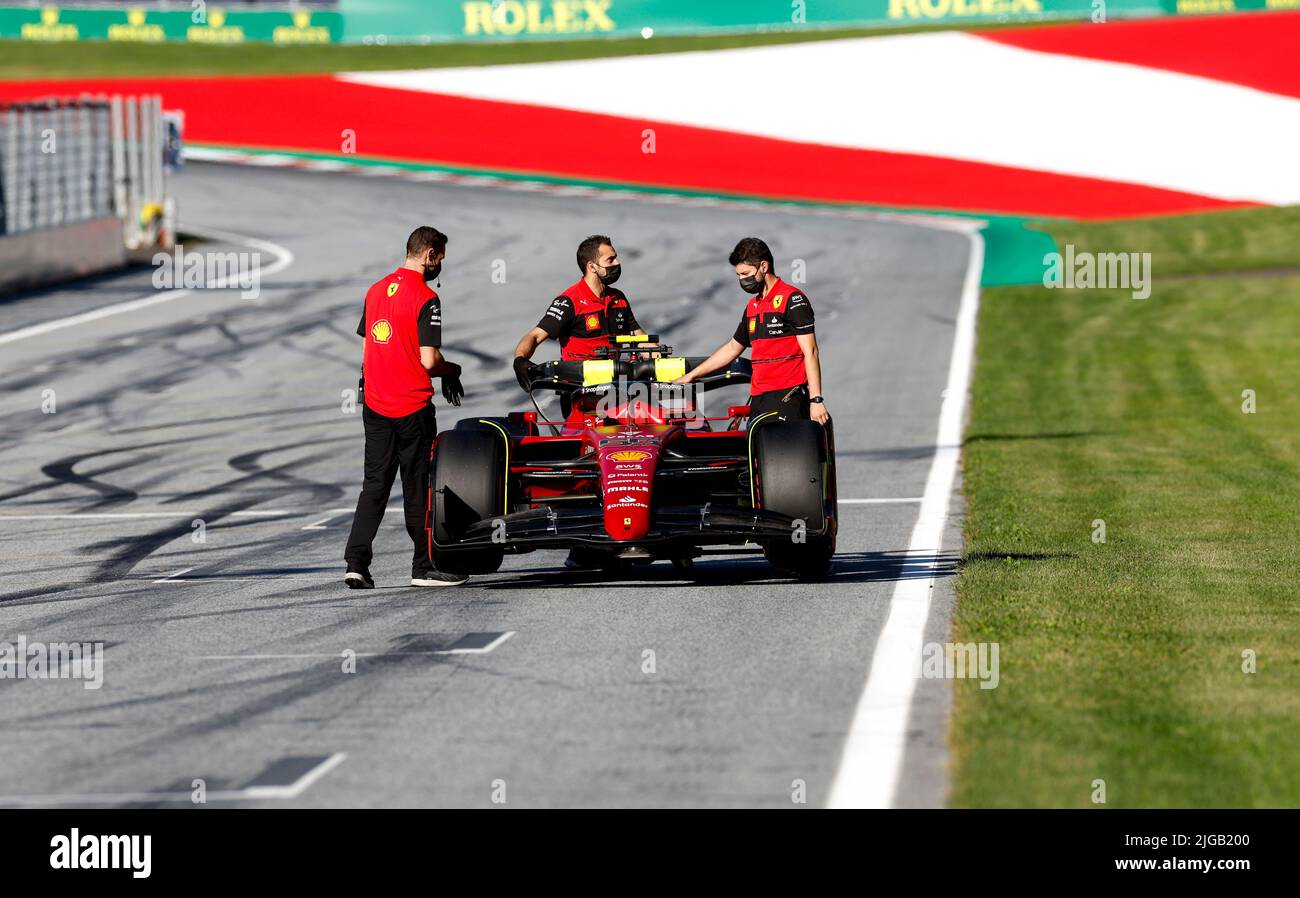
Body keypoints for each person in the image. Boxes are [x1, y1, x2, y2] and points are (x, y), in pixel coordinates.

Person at [344, 226, 467, 589]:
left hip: (376, 404)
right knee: (418, 487)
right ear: (429, 254)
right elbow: (429, 360)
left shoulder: (375, 289)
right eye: (440, 259)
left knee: (374, 485)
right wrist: (452, 370)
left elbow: (369, 347)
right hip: (411, 406)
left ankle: (356, 562)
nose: (440, 266)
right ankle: (424, 566)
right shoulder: (426, 298)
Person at [676, 237, 829, 425]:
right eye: (738, 275)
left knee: (782, 454)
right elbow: (732, 348)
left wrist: (816, 400)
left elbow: (811, 351)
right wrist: (693, 375)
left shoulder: (793, 299)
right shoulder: (752, 306)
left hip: (789, 395)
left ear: (764, 266)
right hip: (758, 397)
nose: (742, 280)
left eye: (746, 273)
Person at [511, 234, 645, 393]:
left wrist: (661, 359)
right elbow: (534, 336)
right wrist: (520, 360)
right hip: (578, 391)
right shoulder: (569, 301)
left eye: (616, 258)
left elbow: (640, 337)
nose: (617, 263)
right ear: (592, 266)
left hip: (615, 387)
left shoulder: (618, 298)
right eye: (610, 260)